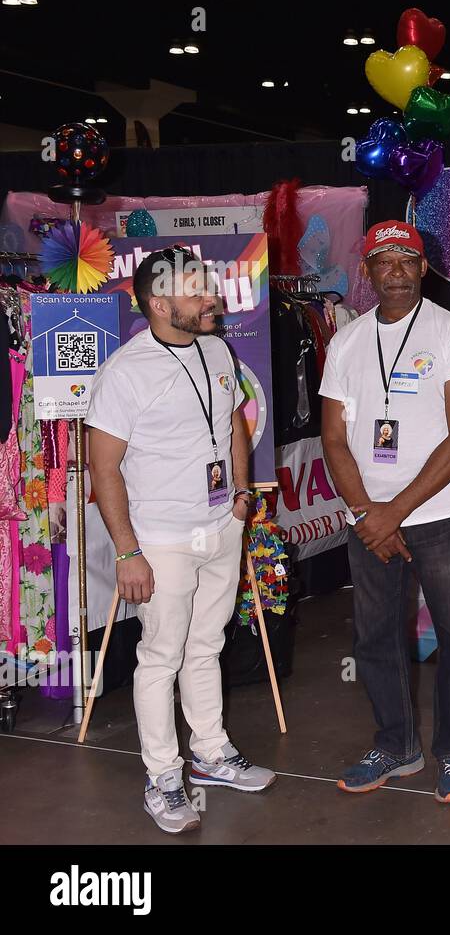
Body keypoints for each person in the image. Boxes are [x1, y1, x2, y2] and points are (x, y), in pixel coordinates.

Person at [86, 245, 275, 835]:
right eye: (196, 291)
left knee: (207, 645)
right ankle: (163, 778)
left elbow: (234, 422)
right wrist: (127, 551)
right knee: (160, 656)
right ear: (159, 303)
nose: (211, 299)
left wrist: (240, 494)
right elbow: (103, 469)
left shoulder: (217, 349)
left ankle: (211, 753)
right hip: (161, 540)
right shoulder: (125, 372)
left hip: (220, 525)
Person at [320, 220, 450, 802]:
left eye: (406, 260)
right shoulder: (346, 341)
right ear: (367, 271)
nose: (396, 271)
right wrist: (367, 513)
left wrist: (393, 513)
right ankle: (396, 745)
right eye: (383, 261)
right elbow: (333, 439)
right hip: (368, 520)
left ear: (423, 268)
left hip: (441, 516)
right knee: (376, 638)